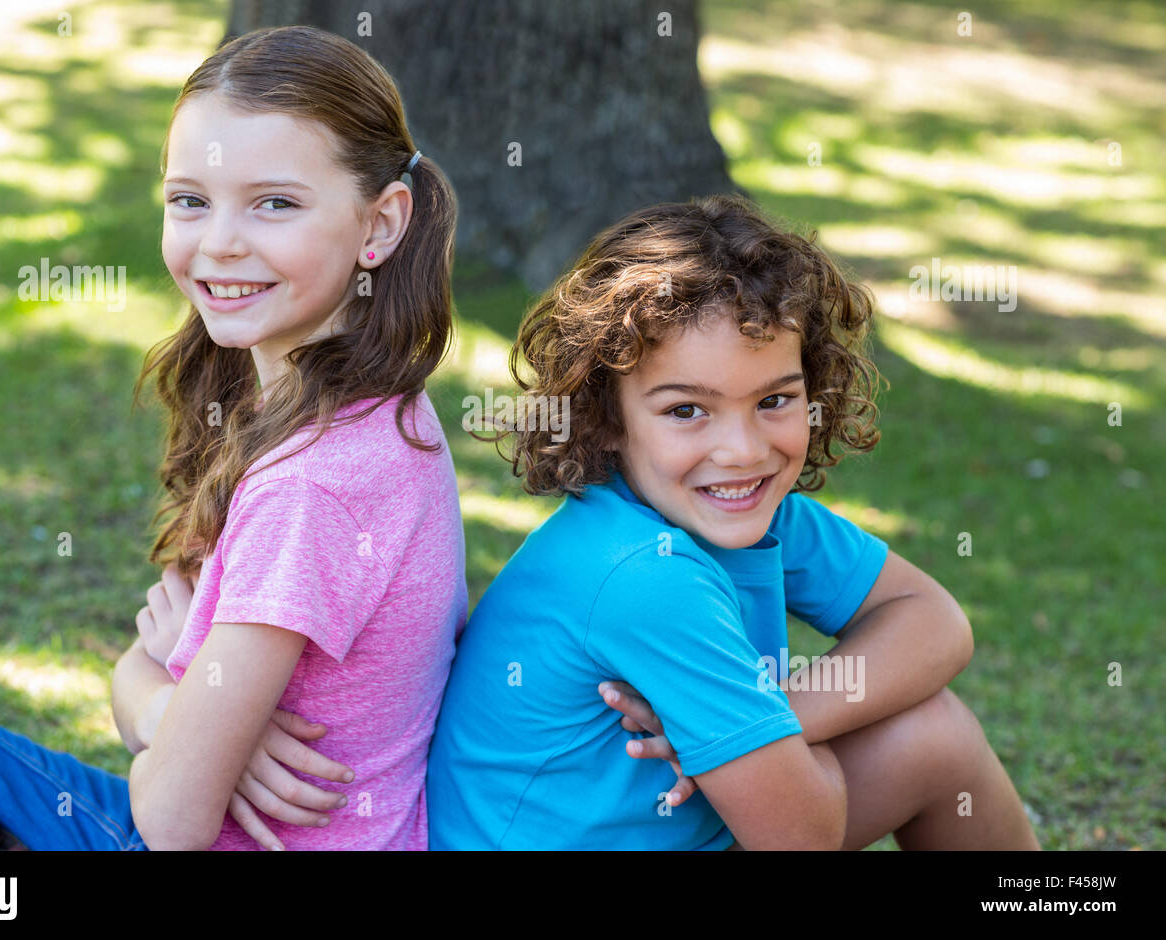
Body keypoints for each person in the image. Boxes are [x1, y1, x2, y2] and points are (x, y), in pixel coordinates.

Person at [0, 25, 467, 851]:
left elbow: (173, 819)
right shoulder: (390, 409)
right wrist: (179, 706)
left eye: (275, 202)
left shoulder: (308, 485)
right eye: (190, 199)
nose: (218, 239)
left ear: (380, 224)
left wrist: (159, 700)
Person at [426, 193, 1041, 850]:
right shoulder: (641, 575)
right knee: (928, 736)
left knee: (936, 734)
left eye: (773, 400)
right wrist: (764, 730)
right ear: (607, 418)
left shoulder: (752, 507)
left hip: (682, 829)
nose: (744, 451)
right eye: (687, 411)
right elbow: (800, 837)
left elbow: (935, 622)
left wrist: (779, 718)